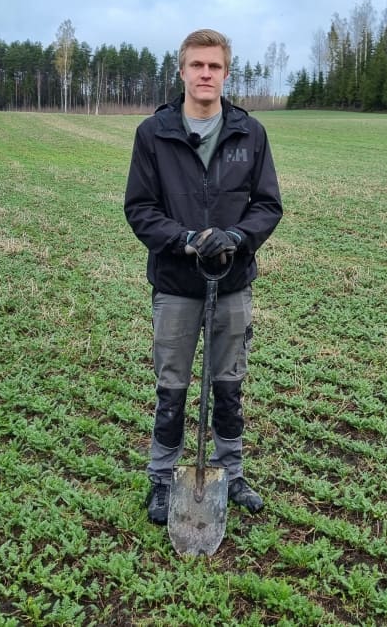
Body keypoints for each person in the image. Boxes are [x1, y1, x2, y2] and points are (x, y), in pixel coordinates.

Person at [124, 28, 283, 525]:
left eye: (214, 66)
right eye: (197, 65)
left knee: (228, 383)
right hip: (176, 285)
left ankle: (231, 474)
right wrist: (189, 240)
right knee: (171, 387)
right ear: (182, 71)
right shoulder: (155, 132)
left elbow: (268, 205)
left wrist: (236, 239)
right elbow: (140, 209)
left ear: (226, 72)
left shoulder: (249, 132)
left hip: (232, 283)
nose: (206, 74)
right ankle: (161, 478)